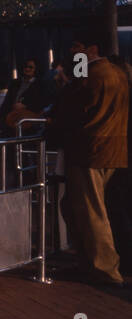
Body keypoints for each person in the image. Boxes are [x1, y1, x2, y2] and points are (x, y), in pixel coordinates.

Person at [48, 24, 129, 286]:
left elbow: (70, 105)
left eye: (77, 47)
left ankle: (105, 269)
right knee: (77, 207)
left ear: (91, 49)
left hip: (89, 150)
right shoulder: (116, 72)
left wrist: (63, 83)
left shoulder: (90, 73)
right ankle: (90, 263)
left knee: (91, 211)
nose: (73, 52)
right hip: (111, 148)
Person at [0, 57, 48, 134]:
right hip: (11, 121)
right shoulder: (15, 83)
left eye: (31, 67)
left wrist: (26, 106)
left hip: (28, 123)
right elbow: (6, 103)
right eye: (25, 66)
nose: (27, 69)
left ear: (36, 69)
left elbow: (43, 102)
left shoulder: (40, 85)